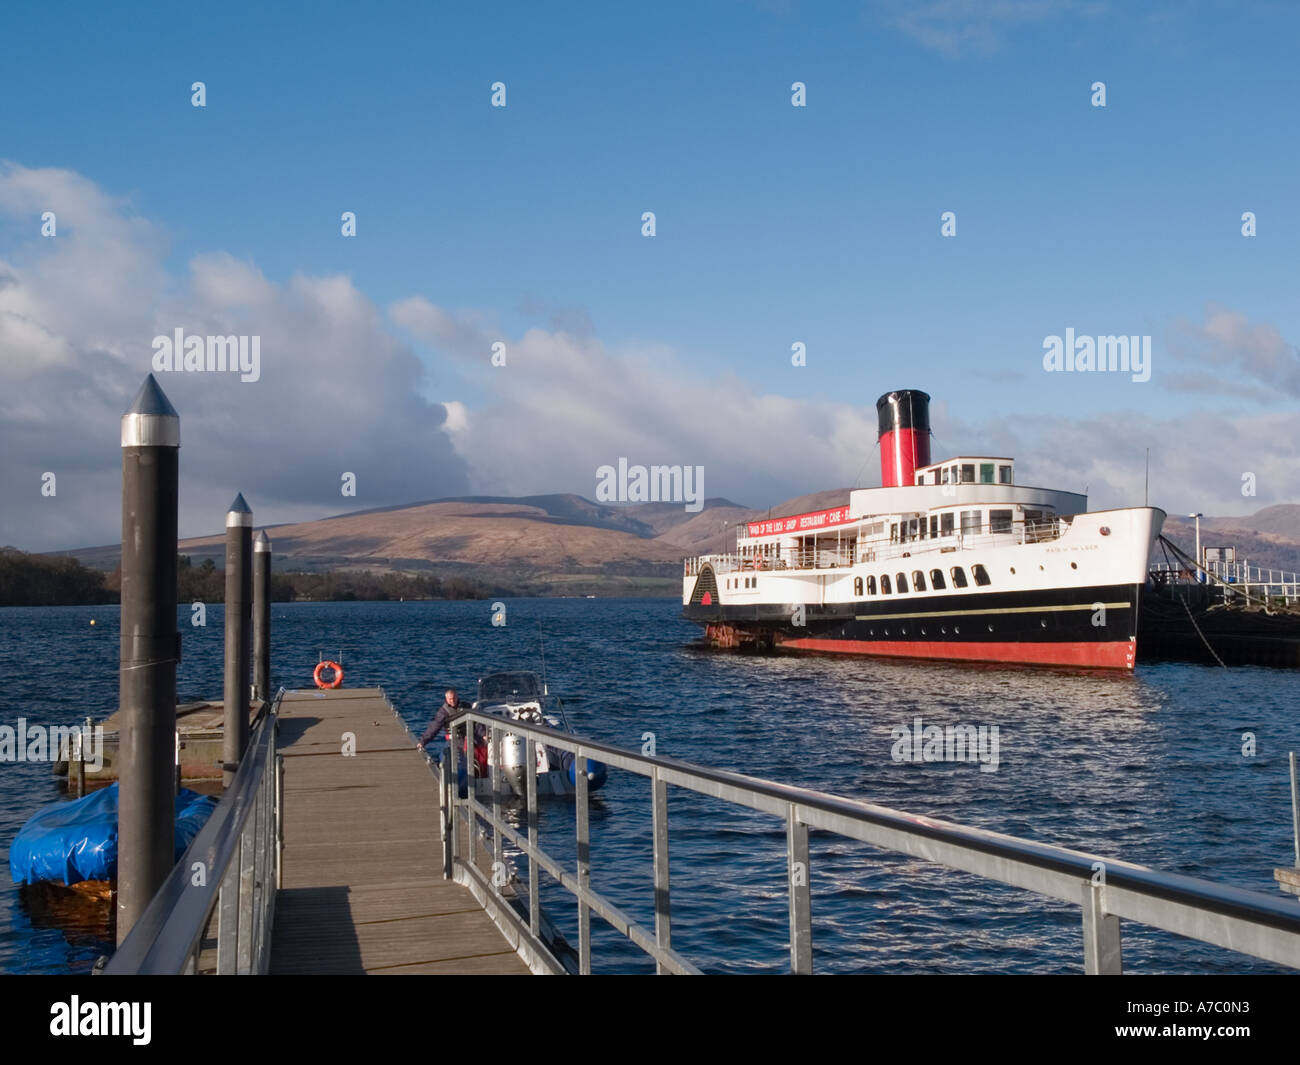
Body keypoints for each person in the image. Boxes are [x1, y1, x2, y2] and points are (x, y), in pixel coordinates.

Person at [417, 688, 487, 774]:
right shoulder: (443, 712)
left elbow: (477, 722)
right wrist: (423, 741)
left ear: (457, 697)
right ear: (446, 699)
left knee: (482, 752)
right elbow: (434, 728)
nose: (452, 701)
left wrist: (483, 734)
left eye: (454, 698)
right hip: (456, 740)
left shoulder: (466, 706)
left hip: (472, 737)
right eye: (450, 699)